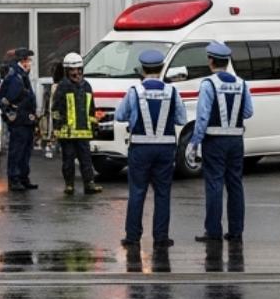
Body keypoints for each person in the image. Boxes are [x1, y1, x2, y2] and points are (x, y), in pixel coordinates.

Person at [116, 50, 186, 249]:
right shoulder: (172, 92)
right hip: (165, 149)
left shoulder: (134, 91)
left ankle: (132, 237)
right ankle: (161, 237)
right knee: (163, 193)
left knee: (137, 192)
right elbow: (181, 119)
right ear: (162, 68)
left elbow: (120, 115)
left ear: (143, 69)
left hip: (140, 148)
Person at [189, 41, 255, 243]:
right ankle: (236, 231)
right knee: (235, 184)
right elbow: (248, 112)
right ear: (226, 62)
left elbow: (202, 117)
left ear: (211, 61)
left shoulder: (209, 84)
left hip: (214, 140)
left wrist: (194, 143)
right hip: (236, 140)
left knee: (214, 185)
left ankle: (213, 231)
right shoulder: (241, 83)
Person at [53, 53, 102, 195]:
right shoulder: (62, 87)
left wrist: (93, 126)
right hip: (67, 132)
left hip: (83, 131)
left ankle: (89, 184)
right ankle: (69, 185)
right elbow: (56, 109)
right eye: (72, 70)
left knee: (86, 159)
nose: (76, 73)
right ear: (66, 71)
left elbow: (91, 109)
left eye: (78, 69)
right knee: (68, 160)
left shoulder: (87, 86)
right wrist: (57, 128)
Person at [0, 47, 39, 191]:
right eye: (28, 60)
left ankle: (23, 177)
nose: (30, 63)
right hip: (19, 122)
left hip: (26, 121)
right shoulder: (15, 77)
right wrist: (11, 117)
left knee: (25, 151)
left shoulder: (22, 75)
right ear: (22, 60)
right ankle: (14, 179)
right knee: (17, 151)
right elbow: (6, 100)